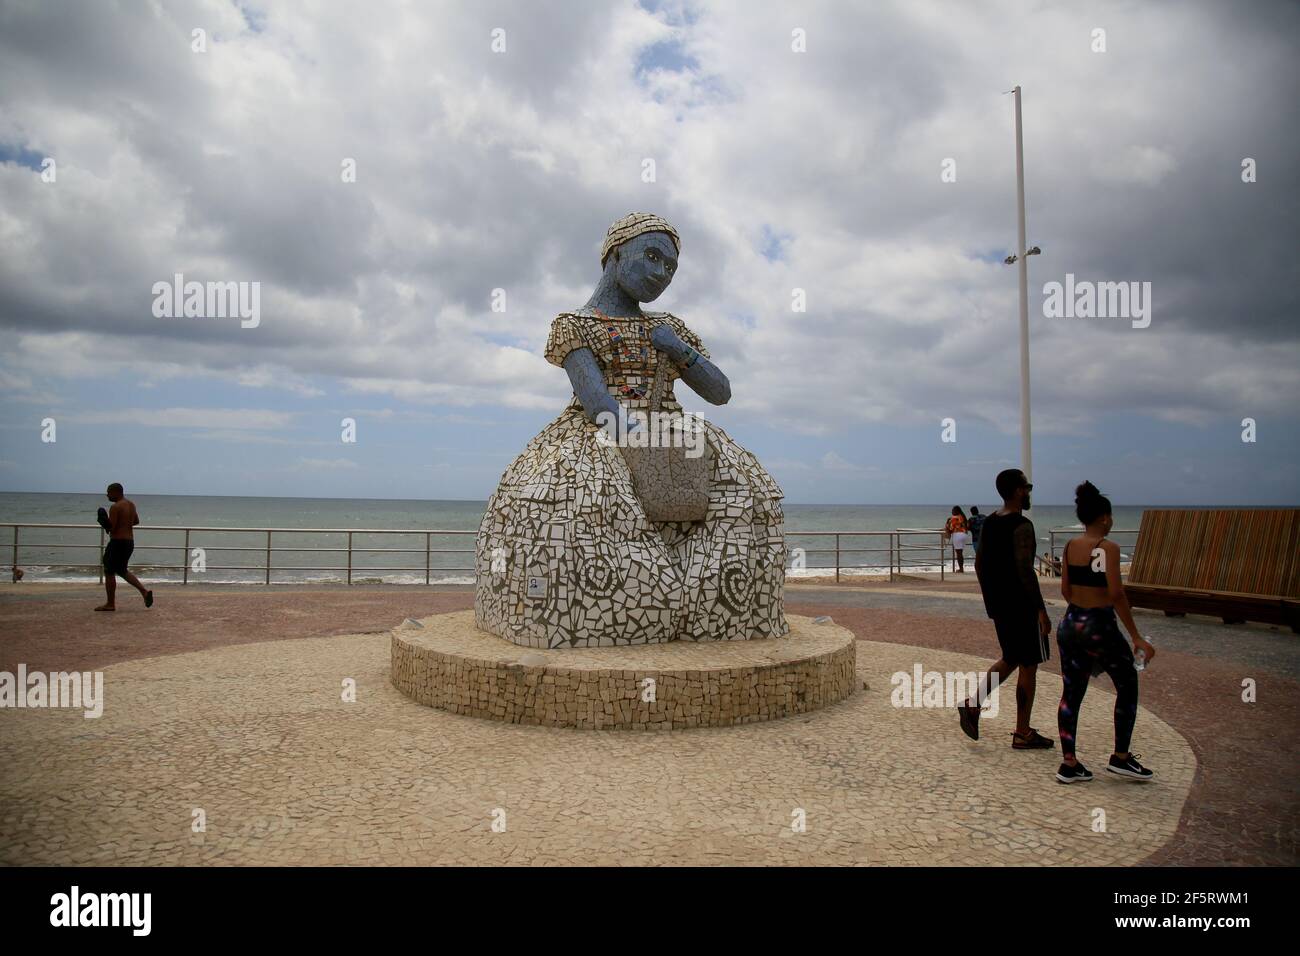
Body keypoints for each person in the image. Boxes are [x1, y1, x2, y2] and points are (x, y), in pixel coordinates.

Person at [474, 213, 787, 646]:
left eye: (671, 267)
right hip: (602, 433)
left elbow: (720, 392)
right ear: (615, 255)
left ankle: (714, 611)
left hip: (672, 428)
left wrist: (677, 350)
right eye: (653, 257)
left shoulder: (670, 328)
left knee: (747, 496)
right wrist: (648, 448)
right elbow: (599, 403)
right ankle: (610, 616)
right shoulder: (575, 326)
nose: (661, 274)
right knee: (569, 508)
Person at [1053, 481, 1156, 783]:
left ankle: (1069, 763)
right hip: (1100, 626)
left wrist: (1081, 610)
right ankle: (1121, 757)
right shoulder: (1108, 548)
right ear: (1103, 518)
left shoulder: (1070, 546)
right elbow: (1116, 594)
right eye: (1110, 517)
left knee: (1071, 694)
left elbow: (1065, 589)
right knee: (1127, 684)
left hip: (1070, 624)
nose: (1112, 522)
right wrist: (1135, 636)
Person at [957, 469, 1053, 749]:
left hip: (1000, 606)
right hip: (1021, 606)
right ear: (1016, 491)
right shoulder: (1022, 526)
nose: (1029, 492)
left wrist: (992, 600)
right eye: (1027, 487)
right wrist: (1041, 611)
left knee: (1010, 657)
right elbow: (1026, 572)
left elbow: (979, 564)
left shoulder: (989, 524)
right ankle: (1023, 732)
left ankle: (973, 704)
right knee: (1028, 664)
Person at [95, 482, 152, 612]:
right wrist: (124, 523)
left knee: (109, 571)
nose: (107, 495)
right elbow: (136, 521)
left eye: (109, 492)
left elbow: (112, 527)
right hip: (129, 542)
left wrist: (103, 521)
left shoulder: (115, 507)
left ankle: (110, 604)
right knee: (121, 570)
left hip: (117, 542)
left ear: (116, 492)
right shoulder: (131, 504)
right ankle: (144, 592)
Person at [945, 506, 968, 573]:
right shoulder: (963, 517)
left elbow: (950, 528)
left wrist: (947, 522)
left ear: (955, 511)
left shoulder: (953, 518)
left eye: (953, 510)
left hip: (957, 535)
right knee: (960, 552)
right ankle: (961, 568)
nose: (952, 512)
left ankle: (961, 569)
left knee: (958, 553)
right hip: (964, 535)